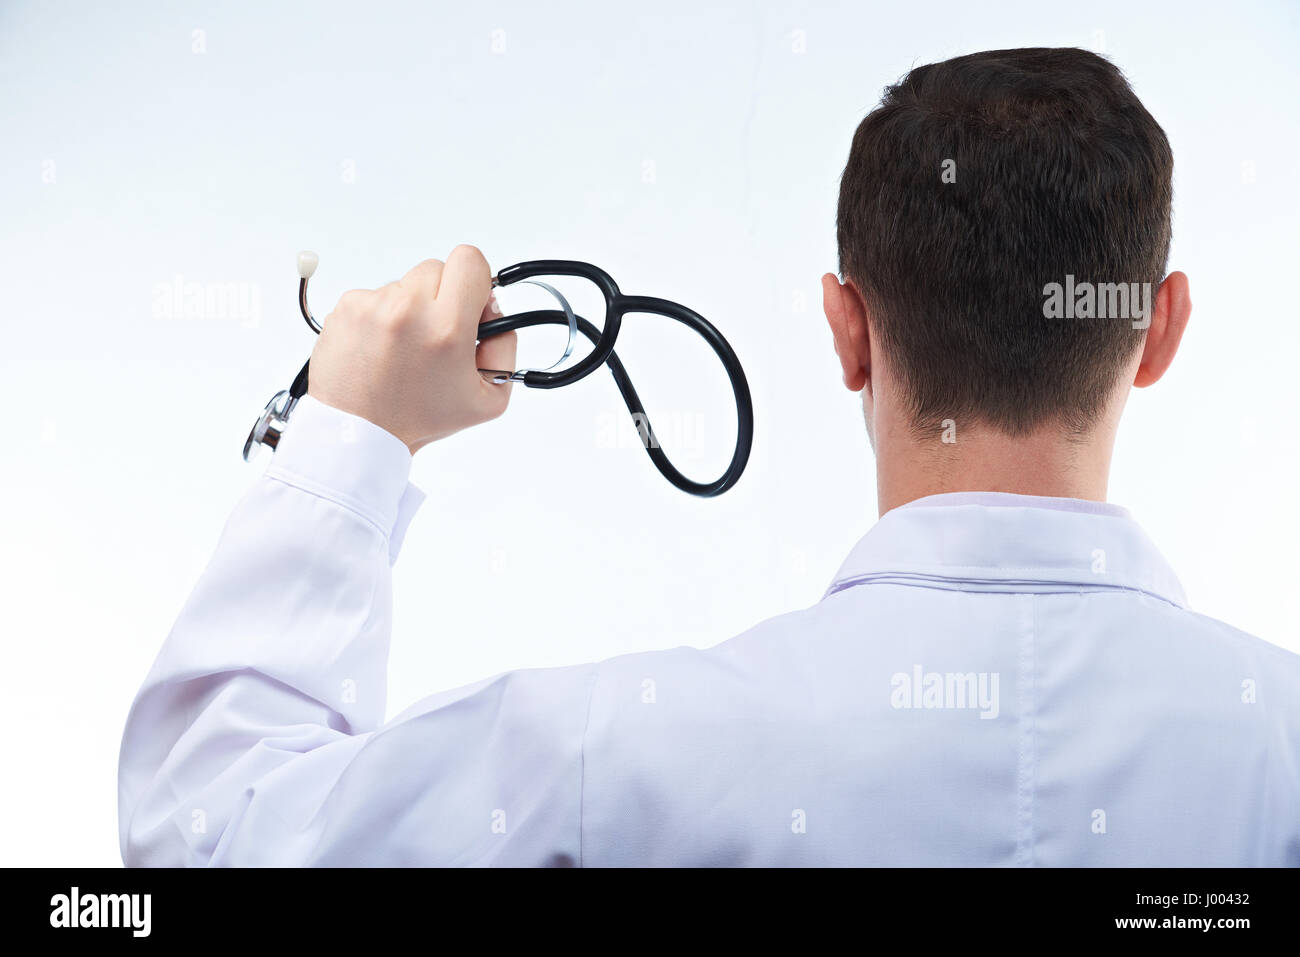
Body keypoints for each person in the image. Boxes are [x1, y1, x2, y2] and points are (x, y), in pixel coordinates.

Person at [118, 46, 1300, 866]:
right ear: (1160, 330)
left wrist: (352, 435)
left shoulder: (616, 754)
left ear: (846, 330)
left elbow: (209, 836)